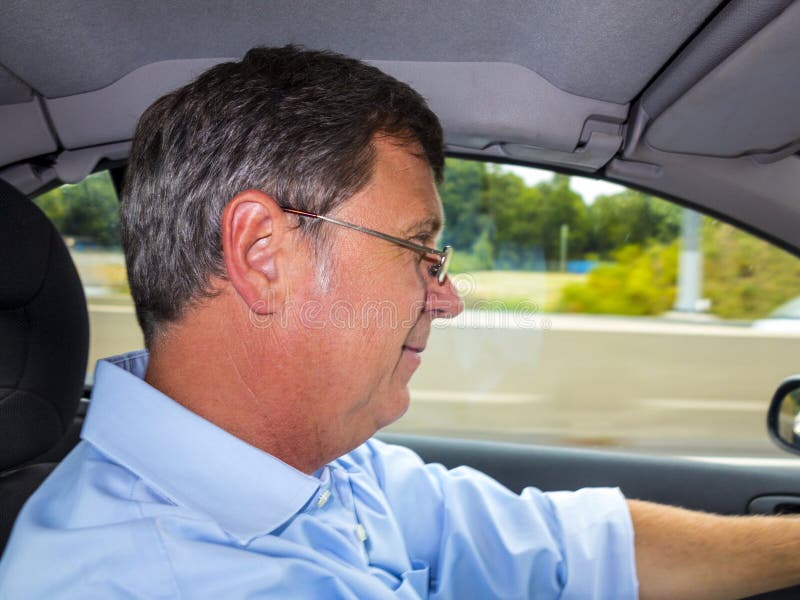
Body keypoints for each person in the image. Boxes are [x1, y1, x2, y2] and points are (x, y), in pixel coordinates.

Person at [1, 45, 799, 600]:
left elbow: (562, 550)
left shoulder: (320, 466)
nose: (448, 300)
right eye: (420, 249)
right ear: (262, 253)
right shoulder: (141, 576)